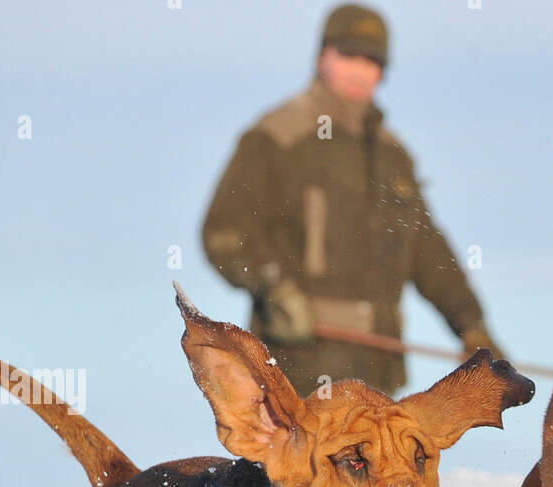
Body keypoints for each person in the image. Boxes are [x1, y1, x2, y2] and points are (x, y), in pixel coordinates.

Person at [202, 4, 504, 397]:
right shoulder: (276, 138)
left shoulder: (394, 157)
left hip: (379, 378)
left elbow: (428, 253)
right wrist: (273, 287)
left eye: (372, 61)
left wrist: (472, 325)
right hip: (295, 373)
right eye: (349, 56)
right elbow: (223, 233)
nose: (360, 71)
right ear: (322, 55)